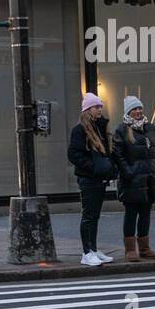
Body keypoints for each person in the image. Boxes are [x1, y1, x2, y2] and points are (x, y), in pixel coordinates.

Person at [112, 96, 155, 262]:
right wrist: (128, 172)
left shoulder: (150, 128)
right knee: (131, 213)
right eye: (134, 109)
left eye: (140, 108)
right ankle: (130, 250)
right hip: (132, 180)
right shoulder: (122, 130)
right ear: (128, 111)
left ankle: (144, 248)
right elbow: (117, 155)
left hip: (149, 179)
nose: (138, 111)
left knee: (145, 213)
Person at [67, 93, 117, 266]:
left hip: (98, 177)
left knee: (95, 215)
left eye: (100, 106)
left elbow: (105, 151)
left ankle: (93, 249)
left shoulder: (99, 127)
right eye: (97, 107)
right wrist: (93, 167)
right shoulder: (79, 130)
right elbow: (73, 154)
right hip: (88, 178)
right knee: (88, 215)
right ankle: (86, 252)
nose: (100, 109)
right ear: (88, 110)